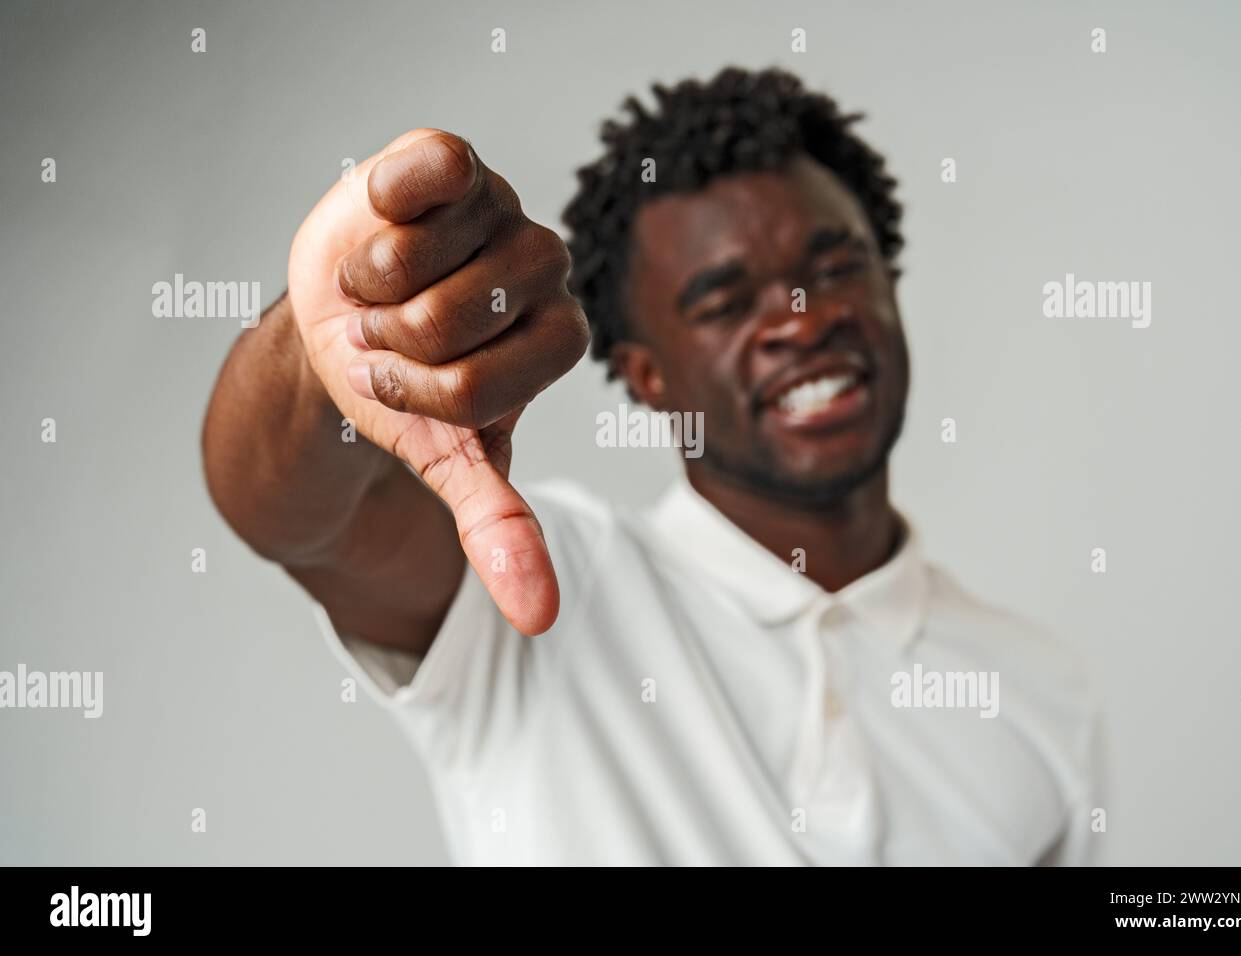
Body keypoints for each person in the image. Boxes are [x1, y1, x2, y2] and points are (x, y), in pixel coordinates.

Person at [203, 67, 1104, 865]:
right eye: (725, 300)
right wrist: (327, 358)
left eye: (836, 269)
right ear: (646, 374)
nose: (801, 318)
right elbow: (288, 514)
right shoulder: (537, 589)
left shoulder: (1039, 689)